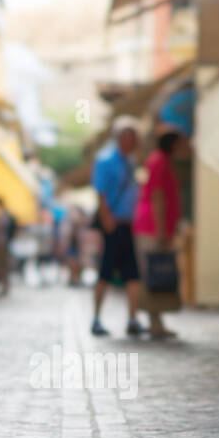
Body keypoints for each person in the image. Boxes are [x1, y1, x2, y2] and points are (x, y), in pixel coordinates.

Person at [91, 116, 143, 336]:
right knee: (106, 272)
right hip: (113, 224)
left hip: (128, 223)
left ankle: (132, 319)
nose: (130, 141)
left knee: (132, 274)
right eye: (127, 136)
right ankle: (96, 318)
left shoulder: (130, 162)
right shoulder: (105, 160)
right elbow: (101, 193)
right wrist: (107, 219)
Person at [133, 127, 186, 339]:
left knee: (155, 272)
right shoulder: (159, 161)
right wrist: (162, 230)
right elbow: (157, 196)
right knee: (154, 273)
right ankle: (154, 321)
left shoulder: (161, 161)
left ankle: (157, 320)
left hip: (155, 226)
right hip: (152, 227)